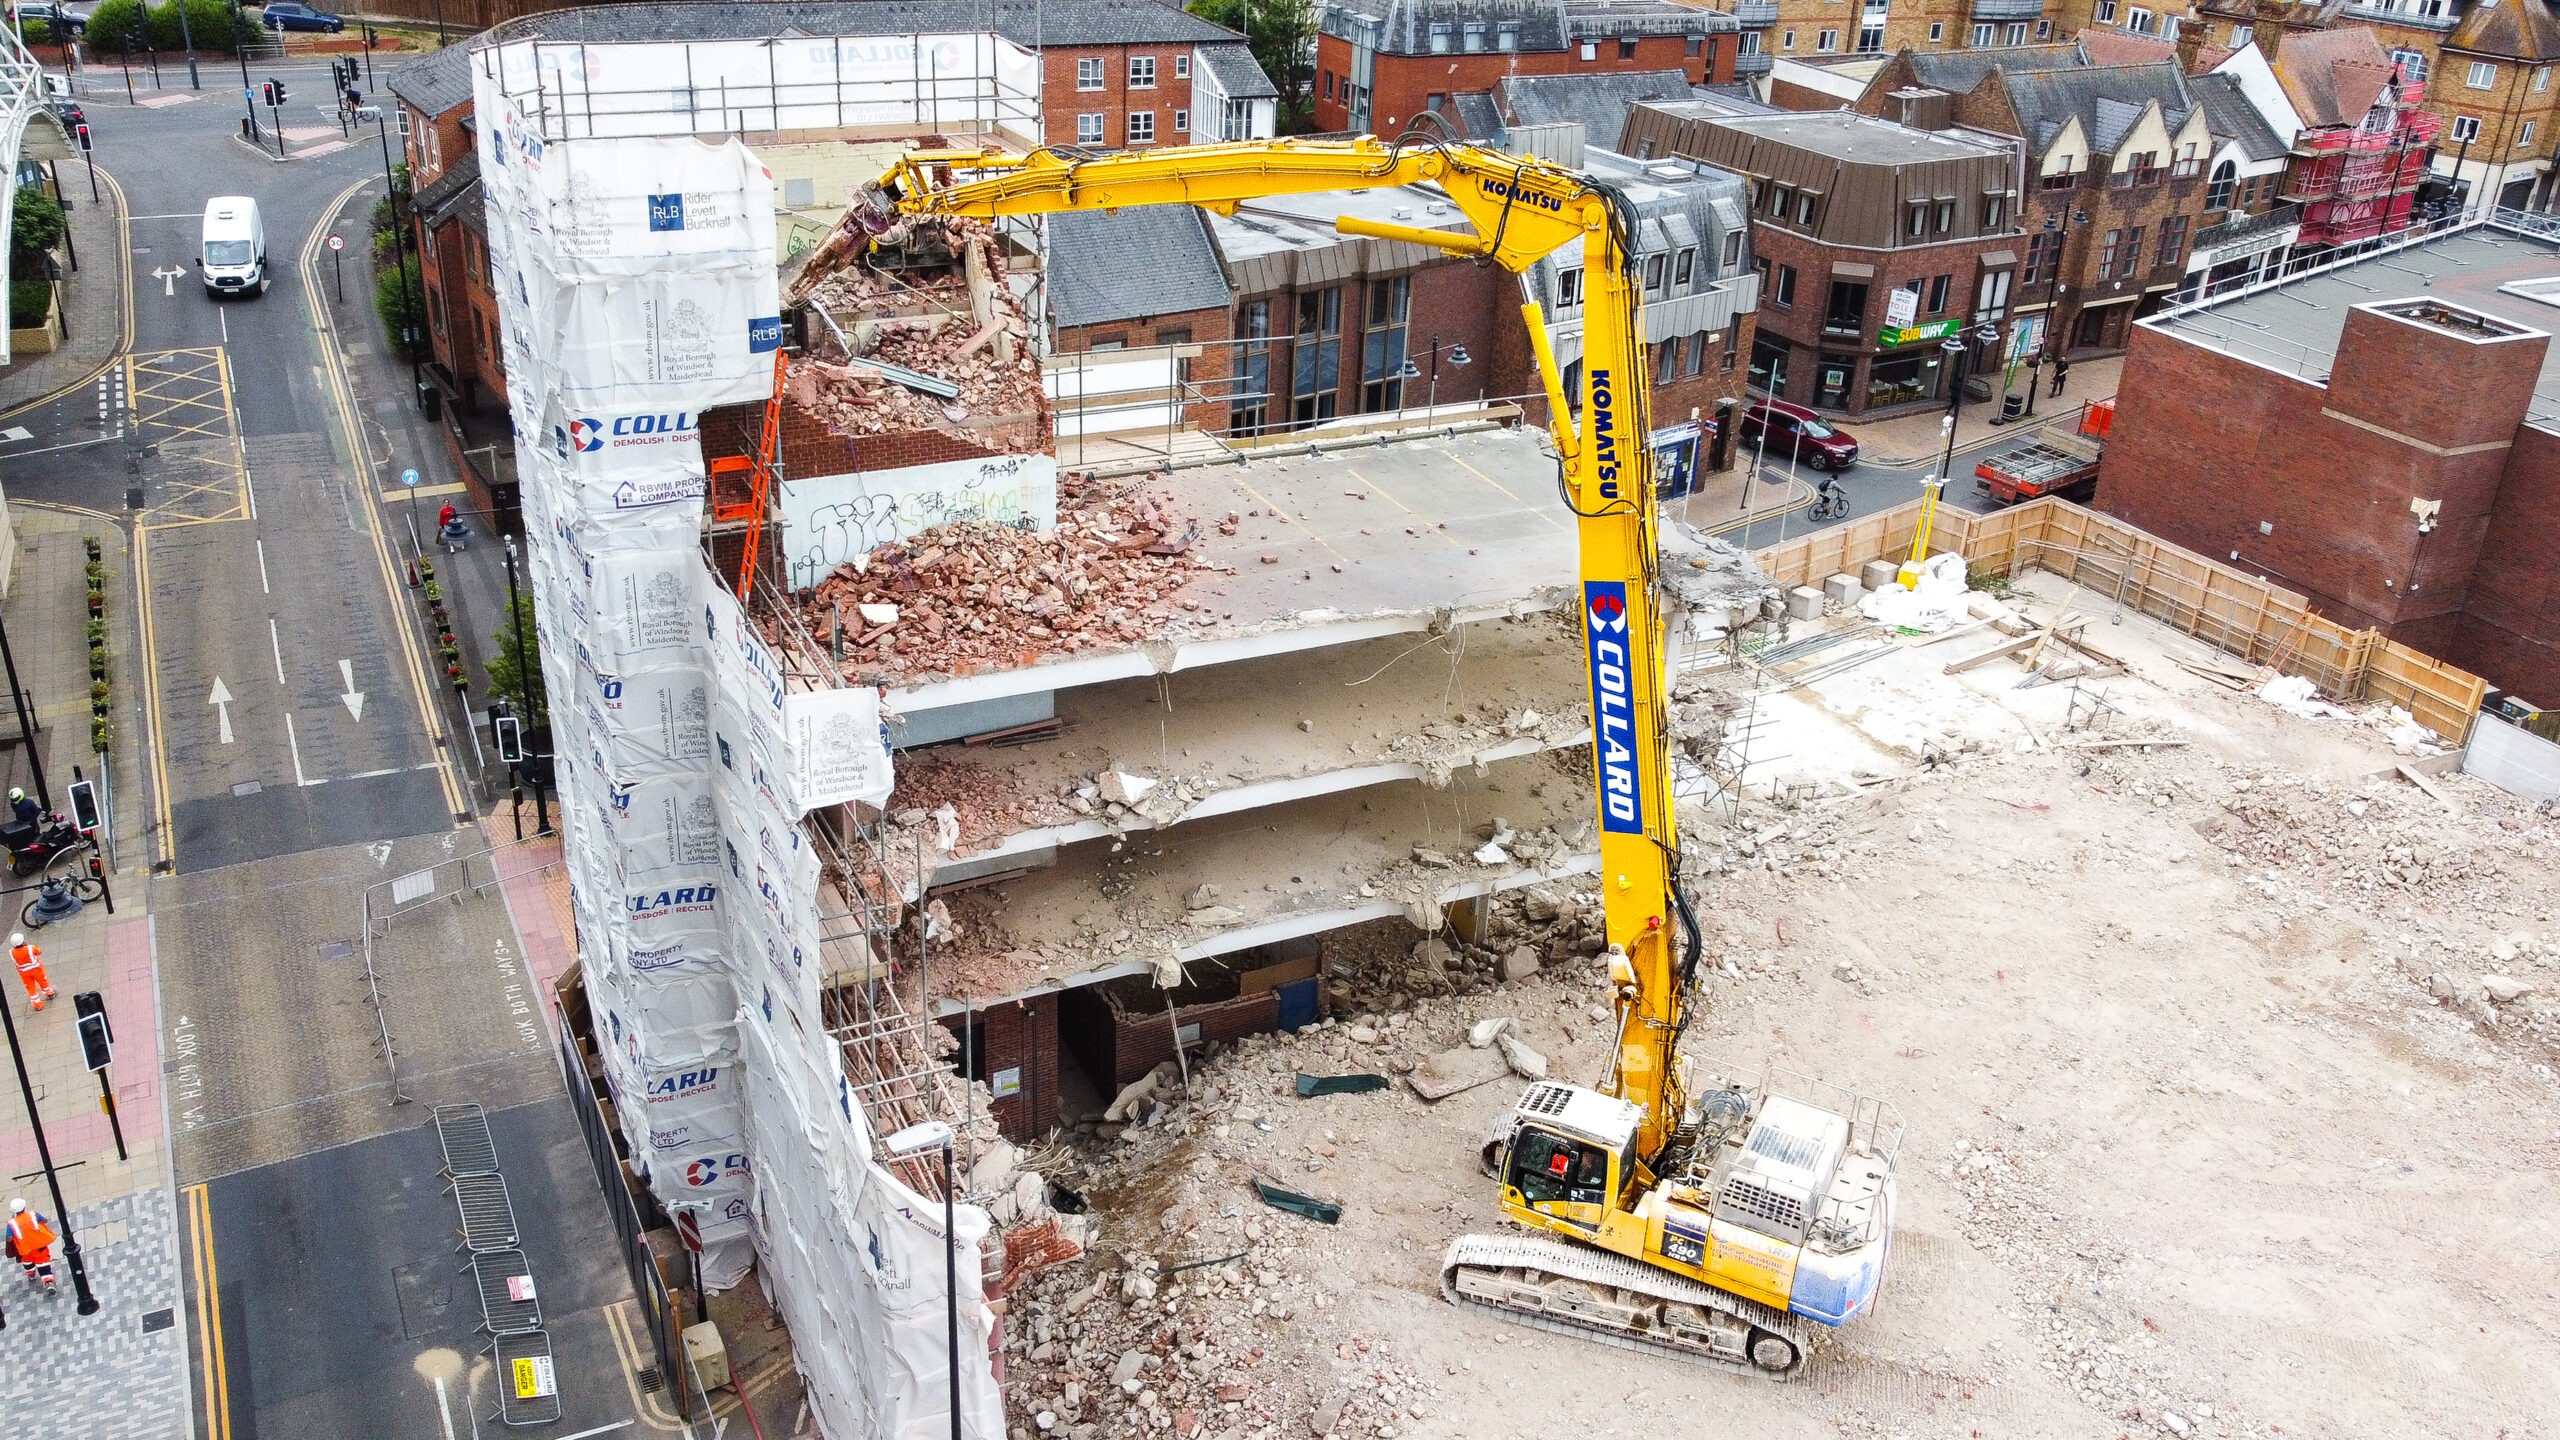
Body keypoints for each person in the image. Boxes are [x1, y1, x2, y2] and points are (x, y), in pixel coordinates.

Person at [5, 1198, 59, 1296]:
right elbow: (44, 1220)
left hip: (25, 1250)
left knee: (27, 1263)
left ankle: (31, 1274)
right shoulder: (33, 1215)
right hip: (40, 1247)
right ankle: (49, 1283)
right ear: (24, 1207)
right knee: (43, 1264)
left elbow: (9, 1238)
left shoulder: (11, 1224)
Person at [12, 932, 53, 1011]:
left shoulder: (12, 952)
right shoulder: (31, 948)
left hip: (24, 973)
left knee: (30, 987)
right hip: (36, 970)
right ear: (23, 942)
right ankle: (49, 993)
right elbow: (39, 951)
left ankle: (38, 1005)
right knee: (43, 982)